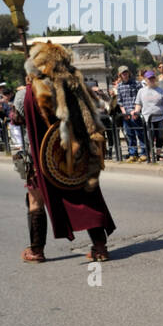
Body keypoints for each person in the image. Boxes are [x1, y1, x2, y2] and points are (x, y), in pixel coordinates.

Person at [18, 41, 116, 263]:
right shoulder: (75, 84)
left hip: (47, 158)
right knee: (87, 196)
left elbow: (20, 116)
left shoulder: (31, 91)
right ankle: (100, 247)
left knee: (35, 198)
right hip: (79, 153)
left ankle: (36, 250)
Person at [112, 66, 146, 162]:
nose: (125, 74)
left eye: (126, 72)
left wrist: (136, 111)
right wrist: (124, 113)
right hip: (126, 114)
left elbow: (141, 98)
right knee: (130, 135)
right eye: (123, 73)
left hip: (136, 113)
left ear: (129, 73)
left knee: (140, 133)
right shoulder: (119, 86)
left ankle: (144, 153)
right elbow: (120, 102)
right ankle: (133, 154)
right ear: (120, 75)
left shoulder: (137, 83)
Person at [134, 70, 163, 159]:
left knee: (160, 137)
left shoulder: (161, 90)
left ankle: (158, 154)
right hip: (147, 118)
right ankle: (151, 154)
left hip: (159, 117)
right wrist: (136, 112)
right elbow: (138, 104)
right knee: (149, 137)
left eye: (153, 78)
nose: (151, 80)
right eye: (149, 78)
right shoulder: (141, 91)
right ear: (145, 79)